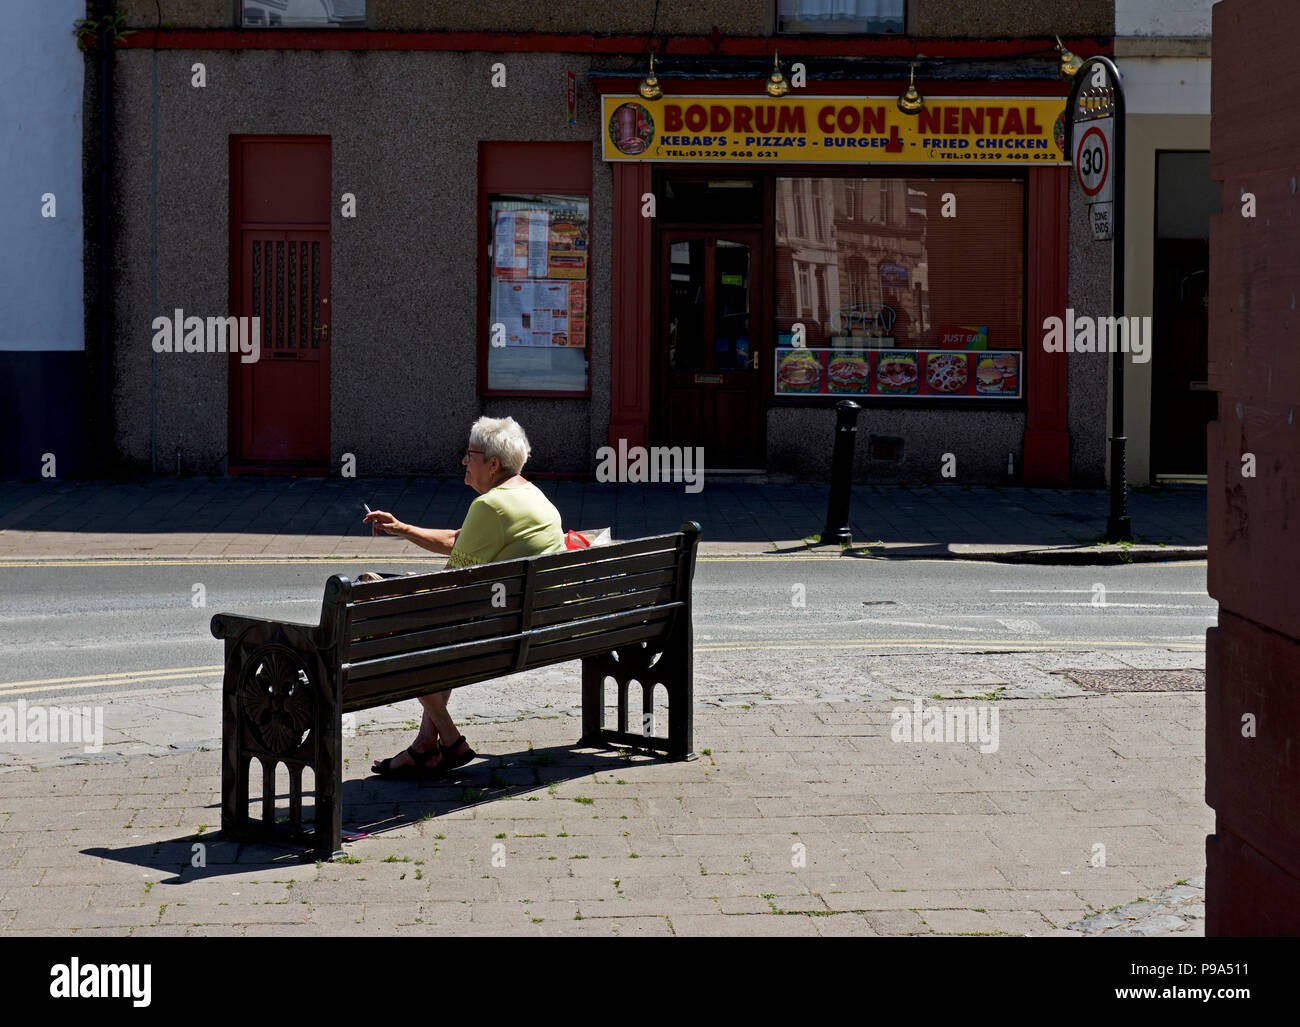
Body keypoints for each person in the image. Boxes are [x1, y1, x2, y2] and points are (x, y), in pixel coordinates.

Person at [361, 416, 565, 779]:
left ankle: (451, 739)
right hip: (521, 625)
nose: (463, 462)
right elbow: (460, 540)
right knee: (428, 617)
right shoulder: (531, 496)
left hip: (489, 631)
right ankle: (426, 746)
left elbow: (450, 586)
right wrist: (402, 528)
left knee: (374, 605)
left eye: (469, 455)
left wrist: (406, 588)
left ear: (493, 464)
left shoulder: (490, 507)